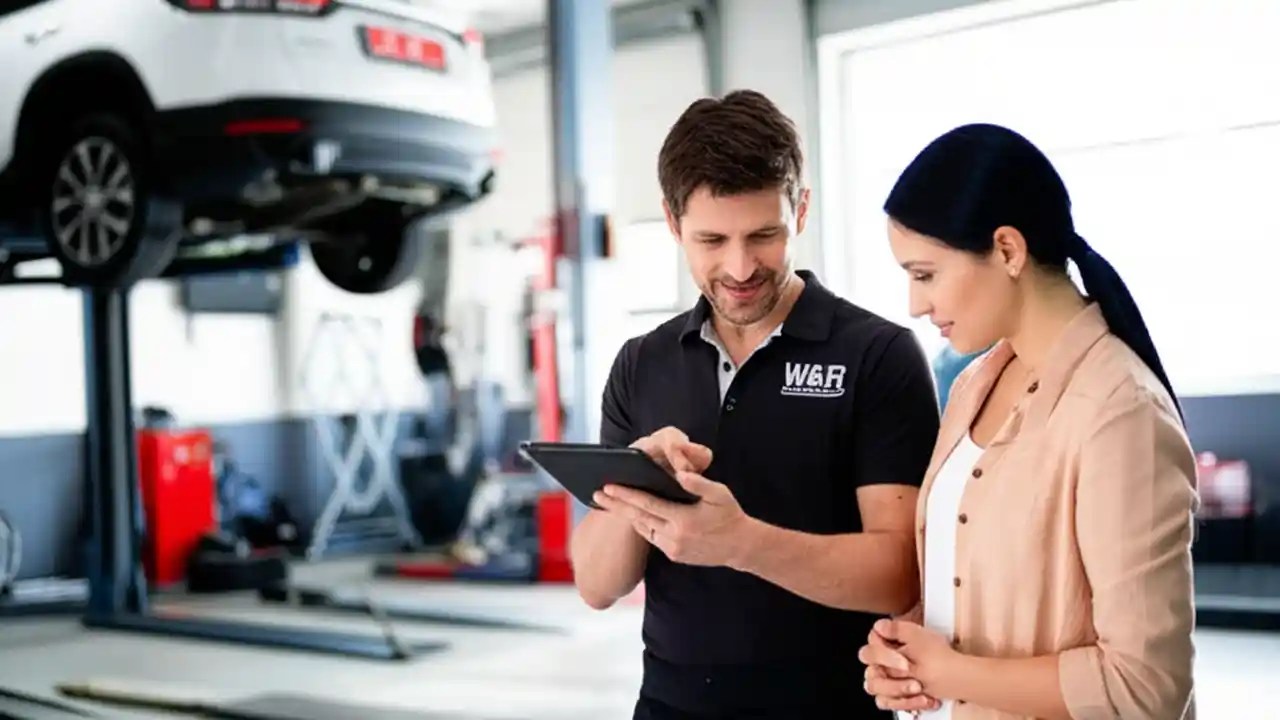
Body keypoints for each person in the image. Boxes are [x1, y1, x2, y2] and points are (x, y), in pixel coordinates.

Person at [568, 89, 941, 719]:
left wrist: (740, 542)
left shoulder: (878, 355)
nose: (739, 267)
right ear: (672, 224)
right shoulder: (641, 362)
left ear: (801, 210)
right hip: (669, 707)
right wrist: (639, 482)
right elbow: (597, 585)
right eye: (711, 240)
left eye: (764, 235)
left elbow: (902, 574)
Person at [858, 123, 1198, 720]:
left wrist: (950, 672)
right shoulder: (972, 386)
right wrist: (906, 657)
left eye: (925, 274)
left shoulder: (1121, 412)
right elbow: (980, 592)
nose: (914, 304)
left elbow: (1146, 687)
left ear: (1008, 250)